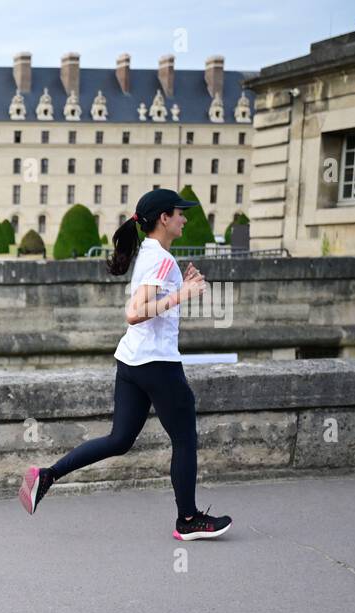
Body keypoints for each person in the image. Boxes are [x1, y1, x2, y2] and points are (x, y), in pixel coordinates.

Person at [18, 188, 232, 540]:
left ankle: (48, 475)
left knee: (120, 439)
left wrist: (182, 285)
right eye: (180, 212)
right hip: (157, 363)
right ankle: (189, 520)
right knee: (185, 439)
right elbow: (134, 313)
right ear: (164, 218)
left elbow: (150, 303)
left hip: (131, 362)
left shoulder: (152, 254)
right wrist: (183, 294)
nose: (185, 218)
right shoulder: (161, 259)